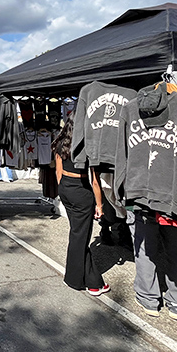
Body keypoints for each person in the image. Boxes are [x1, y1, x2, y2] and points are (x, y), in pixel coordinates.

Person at [52, 116, 110, 296]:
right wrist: (99, 204)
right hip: (81, 190)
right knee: (80, 236)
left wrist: (63, 189)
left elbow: (58, 171)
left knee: (78, 234)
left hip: (66, 187)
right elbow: (95, 181)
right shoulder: (88, 145)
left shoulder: (61, 142)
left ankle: (88, 279)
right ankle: (80, 280)